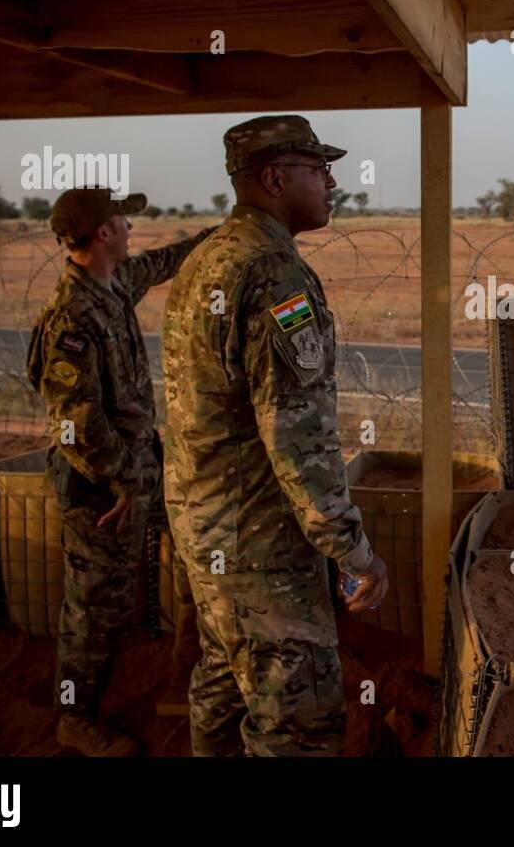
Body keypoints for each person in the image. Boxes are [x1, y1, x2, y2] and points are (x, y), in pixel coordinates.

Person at [162, 115, 389, 757]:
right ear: (273, 179)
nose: (332, 182)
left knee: (226, 683)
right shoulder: (272, 275)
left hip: (207, 529)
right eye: (318, 170)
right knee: (299, 722)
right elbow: (298, 437)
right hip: (261, 546)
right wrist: (352, 551)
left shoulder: (207, 256)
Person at [26, 187, 213, 756]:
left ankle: (191, 665)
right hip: (103, 489)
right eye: (123, 220)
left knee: (191, 543)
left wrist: (219, 238)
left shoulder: (111, 285)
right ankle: (74, 717)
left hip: (138, 471)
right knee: (94, 611)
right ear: (102, 234)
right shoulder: (72, 318)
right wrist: (126, 481)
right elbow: (75, 424)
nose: (132, 227)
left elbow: (160, 262)